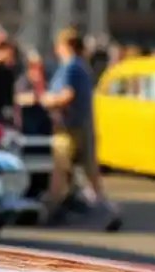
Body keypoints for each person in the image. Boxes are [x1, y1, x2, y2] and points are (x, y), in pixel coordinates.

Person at [41, 28, 123, 231]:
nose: (56, 50)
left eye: (59, 46)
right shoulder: (82, 67)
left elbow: (67, 95)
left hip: (69, 128)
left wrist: (47, 100)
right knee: (88, 173)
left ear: (66, 46)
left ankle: (52, 210)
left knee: (61, 170)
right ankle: (105, 211)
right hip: (83, 125)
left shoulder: (70, 68)